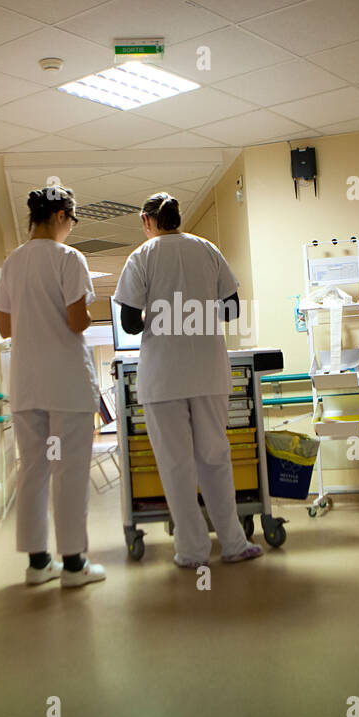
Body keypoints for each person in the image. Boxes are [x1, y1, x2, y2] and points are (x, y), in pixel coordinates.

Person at [113, 192, 263, 568]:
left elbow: (130, 323)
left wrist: (163, 317)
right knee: (215, 458)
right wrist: (195, 311)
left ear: (147, 222)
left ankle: (193, 552)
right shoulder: (207, 249)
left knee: (176, 464)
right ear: (178, 218)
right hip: (208, 372)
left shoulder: (141, 257)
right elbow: (231, 308)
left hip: (164, 377)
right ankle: (233, 543)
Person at [0, 185, 105, 588]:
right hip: (65, 385)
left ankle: (38, 564)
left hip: (26, 384)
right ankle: (74, 566)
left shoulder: (13, 261)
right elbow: (76, 321)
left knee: (33, 470)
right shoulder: (69, 258)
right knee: (69, 471)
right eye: (71, 221)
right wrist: (85, 316)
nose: (70, 229)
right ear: (60, 216)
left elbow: (4, 327)